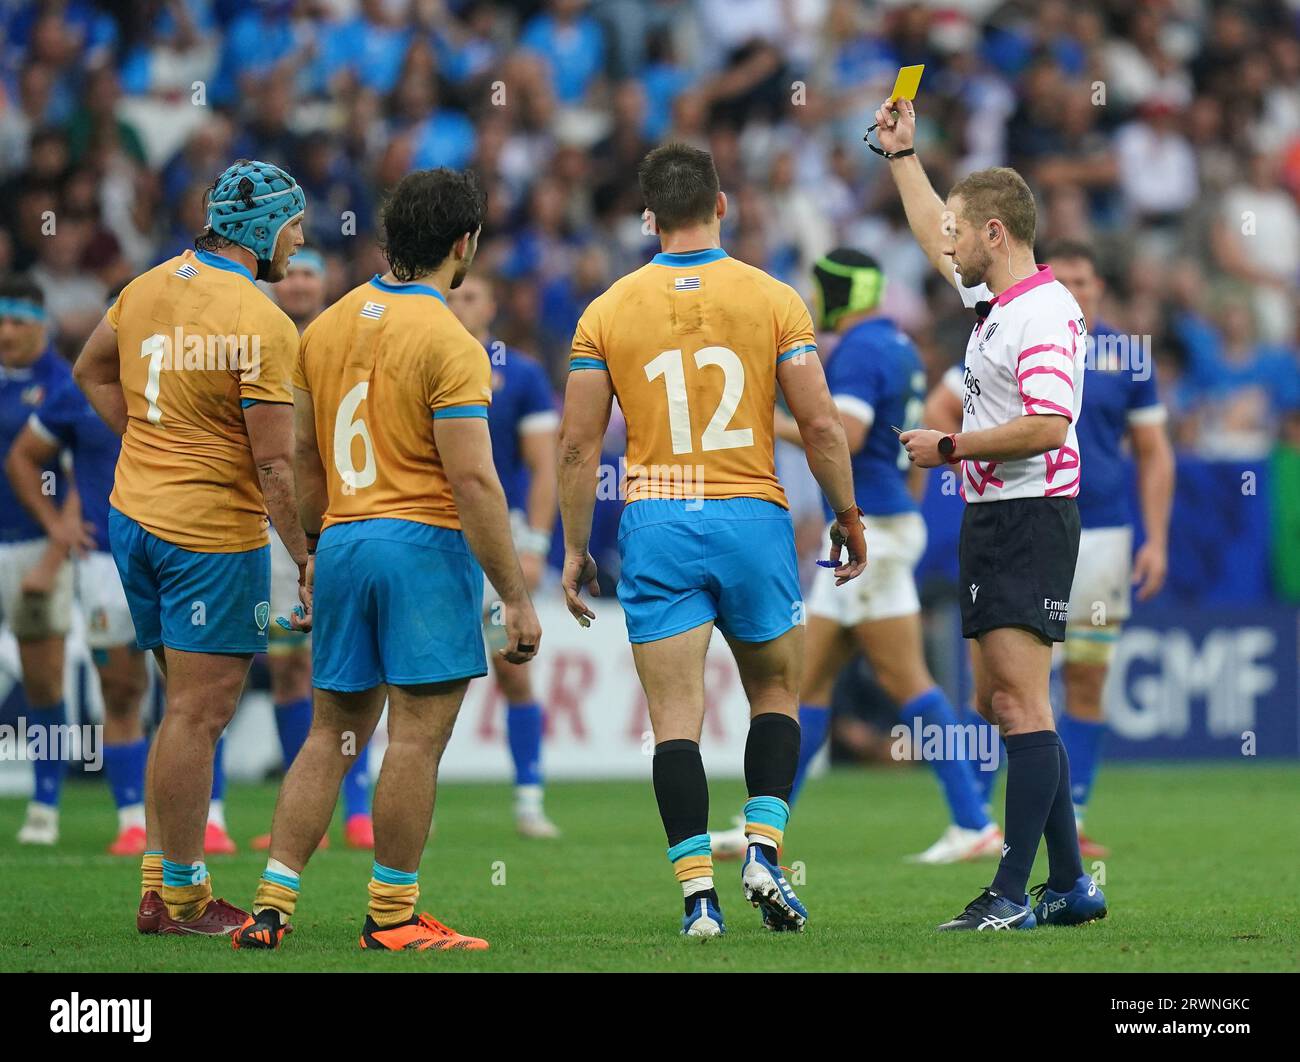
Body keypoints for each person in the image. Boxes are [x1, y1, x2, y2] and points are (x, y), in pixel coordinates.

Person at [557, 143, 866, 937]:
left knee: (675, 722)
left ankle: (699, 900)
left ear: (649, 217)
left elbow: (577, 448)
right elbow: (823, 424)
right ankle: (763, 847)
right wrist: (845, 512)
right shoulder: (773, 298)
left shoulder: (606, 311)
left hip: (656, 520)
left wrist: (573, 548)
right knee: (775, 694)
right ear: (722, 206)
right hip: (751, 518)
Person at [231, 167, 541, 953]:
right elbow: (472, 479)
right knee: (412, 741)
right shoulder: (452, 341)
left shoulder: (324, 327)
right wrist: (515, 593)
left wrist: (307, 552)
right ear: (464, 244)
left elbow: (302, 458)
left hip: (341, 540)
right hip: (422, 547)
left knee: (329, 734)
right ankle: (394, 917)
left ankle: (272, 902)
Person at [876, 95, 1107, 929]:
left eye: (961, 233)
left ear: (997, 236)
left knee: (1021, 705)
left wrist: (951, 449)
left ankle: (1011, 891)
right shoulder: (1003, 302)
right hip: (997, 516)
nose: (949, 243)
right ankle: (1072, 886)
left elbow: (1050, 424)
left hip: (1029, 514)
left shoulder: (1041, 314)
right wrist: (902, 156)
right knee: (999, 702)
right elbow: (935, 223)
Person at [73, 158, 310, 936]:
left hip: (133, 517)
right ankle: (182, 900)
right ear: (264, 229)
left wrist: (150, 441)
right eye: (294, 224)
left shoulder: (144, 286)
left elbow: (91, 368)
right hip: (206, 533)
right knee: (197, 717)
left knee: (179, 711)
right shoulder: (261, 319)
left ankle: (163, 882)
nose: (301, 242)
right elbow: (274, 462)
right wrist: (306, 558)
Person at [718, 248, 1001, 864]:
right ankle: (762, 827)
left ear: (837, 292)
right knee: (806, 685)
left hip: (866, 528)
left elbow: (841, 436)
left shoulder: (859, 351)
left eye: (820, 291)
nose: (815, 303)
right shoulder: (898, 347)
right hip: (879, 519)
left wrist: (765, 422)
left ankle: (973, 821)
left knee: (902, 682)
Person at [924, 239, 1174, 858]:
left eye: (1087, 282)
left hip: (1102, 533)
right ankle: (985, 824)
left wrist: (1157, 539)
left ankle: (1070, 824)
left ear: (1100, 290)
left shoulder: (1122, 357)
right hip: (1029, 517)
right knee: (1005, 692)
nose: (1078, 292)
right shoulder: (1018, 324)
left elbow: (1154, 452)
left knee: (1081, 680)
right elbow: (949, 395)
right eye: (1068, 280)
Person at [251, 246, 375, 852]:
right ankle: (303, 815)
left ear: (323, 286)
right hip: (276, 530)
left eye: (309, 273)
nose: (298, 282)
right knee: (287, 665)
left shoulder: (336, 346)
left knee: (347, 667)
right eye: (292, 271)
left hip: (338, 521)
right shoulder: (261, 342)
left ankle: (357, 809)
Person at [6, 369, 150, 855]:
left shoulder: (188, 374)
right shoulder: (78, 388)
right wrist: (59, 528)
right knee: (120, 688)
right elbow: (26, 456)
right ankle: (132, 819)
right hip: (105, 560)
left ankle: (206, 819)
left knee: (193, 690)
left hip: (186, 549)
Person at [448, 272, 562, 839]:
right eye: (453, 294)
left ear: (492, 303)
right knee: (420, 673)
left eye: (471, 295)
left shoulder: (522, 372)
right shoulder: (426, 358)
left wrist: (536, 543)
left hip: (498, 536)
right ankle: (382, 805)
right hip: (435, 534)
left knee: (512, 668)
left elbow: (544, 464)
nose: (460, 303)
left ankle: (528, 799)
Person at [0, 278, 78, 847]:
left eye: (19, 321)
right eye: (2, 322)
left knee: (43, 680)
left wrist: (54, 549)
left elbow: (83, 474)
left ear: (42, 325)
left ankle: (46, 802)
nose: (7, 332)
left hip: (32, 546)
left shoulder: (63, 385)